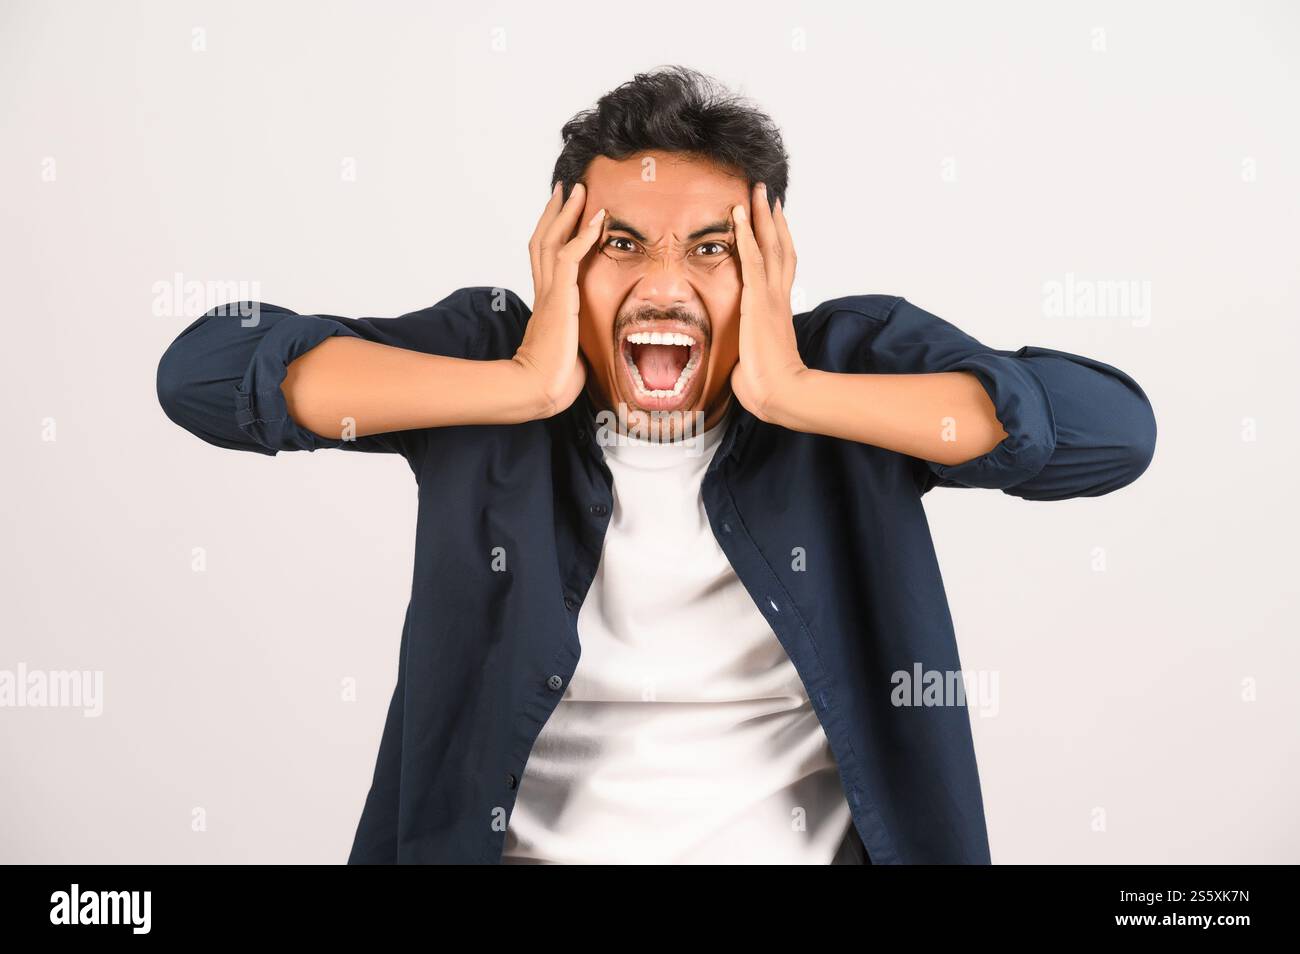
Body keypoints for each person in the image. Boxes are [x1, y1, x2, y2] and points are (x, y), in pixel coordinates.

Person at [155, 65, 1156, 864]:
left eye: (713, 250)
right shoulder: (485, 361)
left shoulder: (847, 366)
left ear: (769, 264)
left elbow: (1114, 432)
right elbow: (202, 373)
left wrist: (798, 395)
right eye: (619, 244)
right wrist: (520, 388)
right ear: (557, 256)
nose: (663, 285)